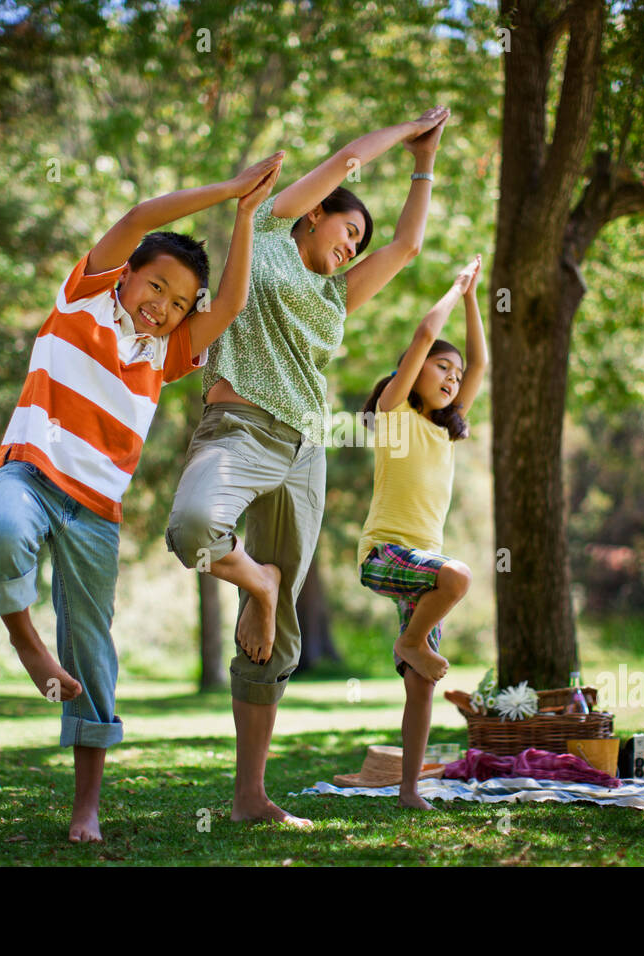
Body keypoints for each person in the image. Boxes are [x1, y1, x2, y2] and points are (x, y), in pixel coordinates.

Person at [0, 152, 284, 842]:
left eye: (178, 303)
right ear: (128, 274)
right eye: (156, 287)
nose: (163, 307)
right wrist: (228, 187)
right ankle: (26, 642)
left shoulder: (165, 355)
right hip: (29, 472)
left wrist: (244, 217)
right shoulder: (82, 298)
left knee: (90, 652)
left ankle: (86, 809)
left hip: (96, 514)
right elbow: (142, 217)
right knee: (0, 533)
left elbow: (228, 304)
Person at [164, 106, 451, 826]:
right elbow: (350, 156)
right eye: (350, 231)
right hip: (235, 429)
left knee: (279, 627)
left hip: (303, 449)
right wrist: (410, 131)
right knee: (193, 527)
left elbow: (410, 247)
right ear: (315, 214)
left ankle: (249, 798)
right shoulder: (262, 234)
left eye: (361, 243)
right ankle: (255, 579)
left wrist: (428, 164)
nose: (355, 247)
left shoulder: (335, 298)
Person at [356, 253, 487, 810]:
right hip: (385, 554)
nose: (453, 377)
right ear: (415, 372)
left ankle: (410, 789)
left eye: (454, 376)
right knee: (457, 577)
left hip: (420, 570)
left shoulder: (445, 433)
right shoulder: (395, 415)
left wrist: (478, 299)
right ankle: (409, 641)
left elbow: (480, 364)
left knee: (420, 684)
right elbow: (425, 331)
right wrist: (457, 289)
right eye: (441, 368)